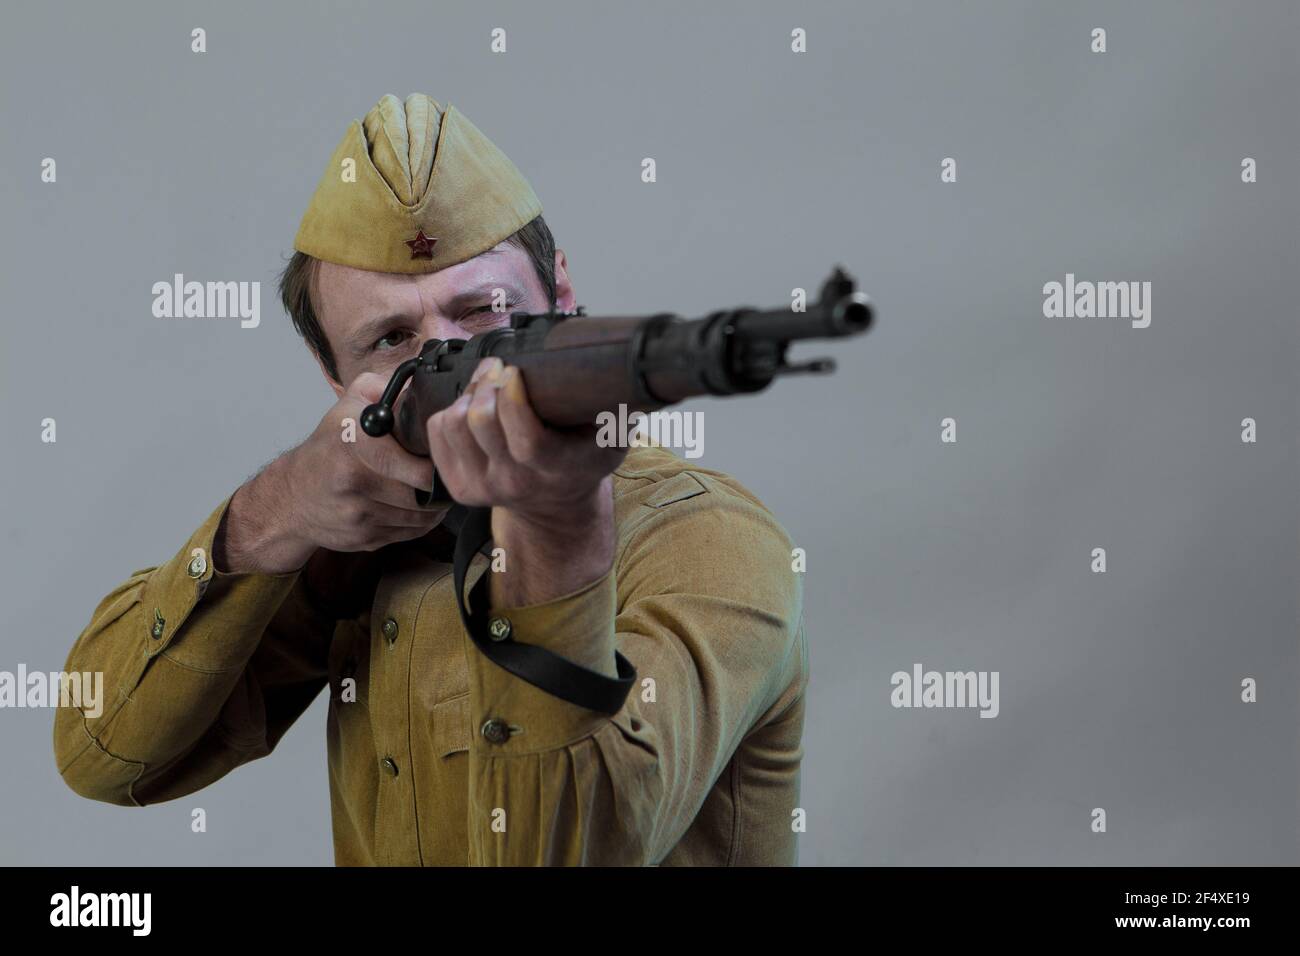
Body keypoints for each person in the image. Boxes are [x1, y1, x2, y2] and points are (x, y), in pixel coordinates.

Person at [53, 93, 809, 866]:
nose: (455, 365)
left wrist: (555, 531)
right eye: (391, 338)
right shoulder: (368, 538)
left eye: (483, 312)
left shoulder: (709, 541)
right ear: (332, 373)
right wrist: (277, 515)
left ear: (564, 295)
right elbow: (101, 752)